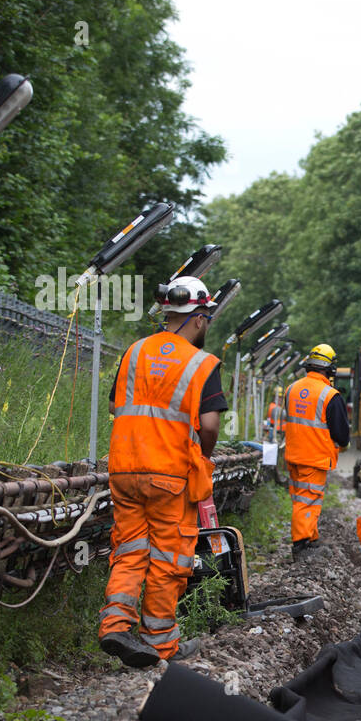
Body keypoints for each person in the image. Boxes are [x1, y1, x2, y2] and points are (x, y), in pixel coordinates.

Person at [99, 275, 226, 667]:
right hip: (169, 474)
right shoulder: (203, 363)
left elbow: (114, 407)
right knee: (169, 559)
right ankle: (159, 644)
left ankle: (116, 626)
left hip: (123, 470)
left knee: (130, 549)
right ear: (199, 318)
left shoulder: (134, 352)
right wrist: (202, 456)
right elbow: (209, 426)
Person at [283, 344, 349, 560]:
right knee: (308, 500)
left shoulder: (291, 389)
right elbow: (341, 434)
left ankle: (311, 537)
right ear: (329, 369)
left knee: (300, 499)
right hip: (314, 457)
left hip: (293, 455)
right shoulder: (330, 395)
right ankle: (301, 545)